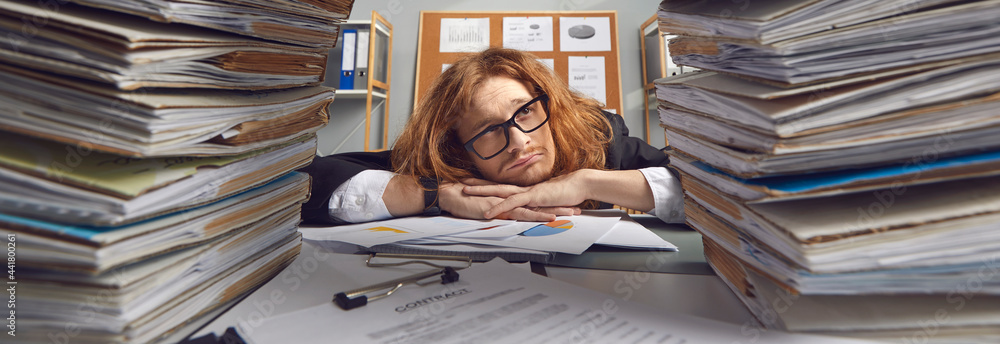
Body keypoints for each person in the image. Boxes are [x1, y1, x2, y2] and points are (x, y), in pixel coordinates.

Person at [299, 48, 683, 225]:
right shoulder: (440, 162)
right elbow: (303, 181)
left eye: (526, 111)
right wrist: (436, 194)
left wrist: (586, 181)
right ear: (458, 148)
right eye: (487, 131)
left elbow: (709, 186)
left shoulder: (599, 137)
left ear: (550, 107)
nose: (518, 141)